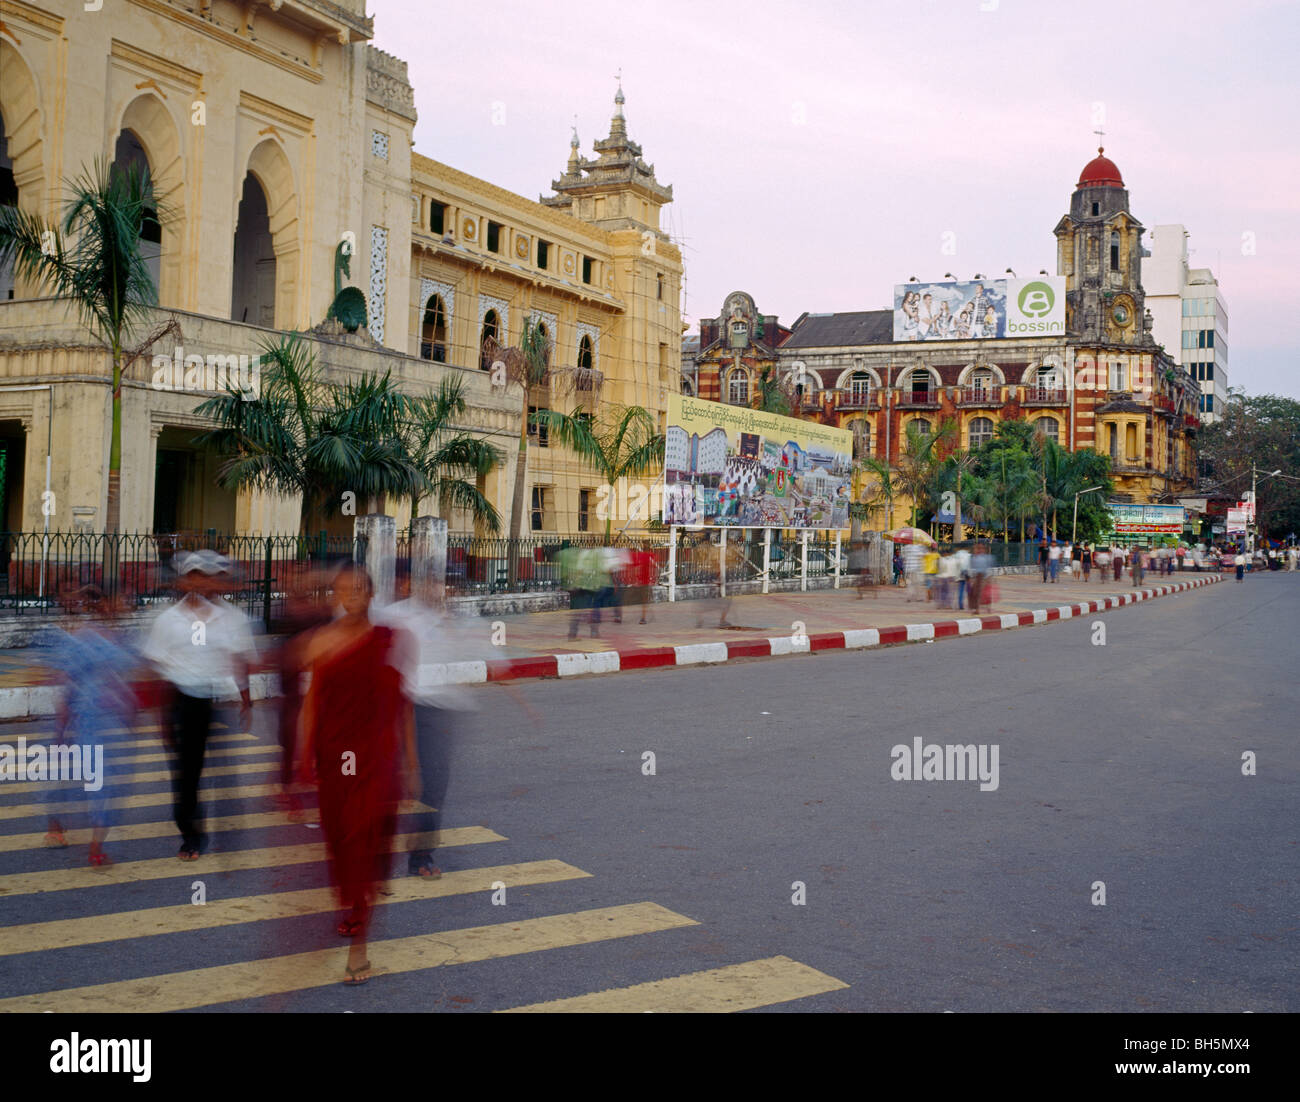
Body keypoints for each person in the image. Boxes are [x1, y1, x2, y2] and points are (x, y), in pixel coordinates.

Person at [299, 564, 419, 985]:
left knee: (366, 844)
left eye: (358, 588)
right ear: (335, 595)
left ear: (370, 594)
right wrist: (302, 759)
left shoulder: (390, 639)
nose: (350, 594)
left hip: (376, 760)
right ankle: (354, 902)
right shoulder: (322, 642)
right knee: (342, 842)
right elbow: (311, 704)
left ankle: (359, 948)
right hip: (336, 760)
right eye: (343, 589)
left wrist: (411, 763)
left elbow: (401, 702)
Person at [142, 552, 256, 861]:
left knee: (218, 770)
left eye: (202, 575)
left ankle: (223, 834)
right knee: (186, 774)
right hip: (179, 700)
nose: (197, 581)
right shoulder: (167, 619)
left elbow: (237, 658)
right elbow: (155, 669)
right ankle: (191, 834)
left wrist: (246, 700)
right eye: (190, 575)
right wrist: (161, 717)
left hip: (210, 702)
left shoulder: (225, 617)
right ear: (181, 580)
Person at [375, 570, 474, 881]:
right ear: (410, 585)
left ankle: (421, 856)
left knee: (433, 787)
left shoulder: (449, 619)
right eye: (427, 582)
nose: (435, 589)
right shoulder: (391, 616)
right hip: (393, 708)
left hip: (436, 713)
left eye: (439, 583)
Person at [41, 586, 139, 866]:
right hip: (86, 719)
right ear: (105, 604)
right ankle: (57, 824)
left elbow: (126, 679)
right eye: (121, 599)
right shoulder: (83, 639)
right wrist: (62, 727)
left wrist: (131, 711)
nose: (125, 604)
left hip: (113, 722)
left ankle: (96, 844)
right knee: (81, 778)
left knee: (107, 785)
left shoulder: (124, 639)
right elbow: (70, 684)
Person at [968, 543, 994, 614]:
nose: (978, 550)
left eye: (980, 548)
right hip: (977, 577)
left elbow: (989, 569)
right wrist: (971, 578)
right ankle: (977, 609)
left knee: (984, 593)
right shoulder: (973, 557)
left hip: (983, 577)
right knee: (976, 593)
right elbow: (972, 568)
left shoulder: (987, 558)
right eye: (977, 548)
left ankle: (986, 608)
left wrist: (988, 579)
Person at [952, 545, 972, 609]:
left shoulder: (957, 554)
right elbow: (970, 565)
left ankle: (960, 605)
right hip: (967, 573)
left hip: (960, 573)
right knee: (969, 589)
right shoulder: (968, 555)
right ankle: (970, 604)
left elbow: (955, 564)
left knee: (961, 589)